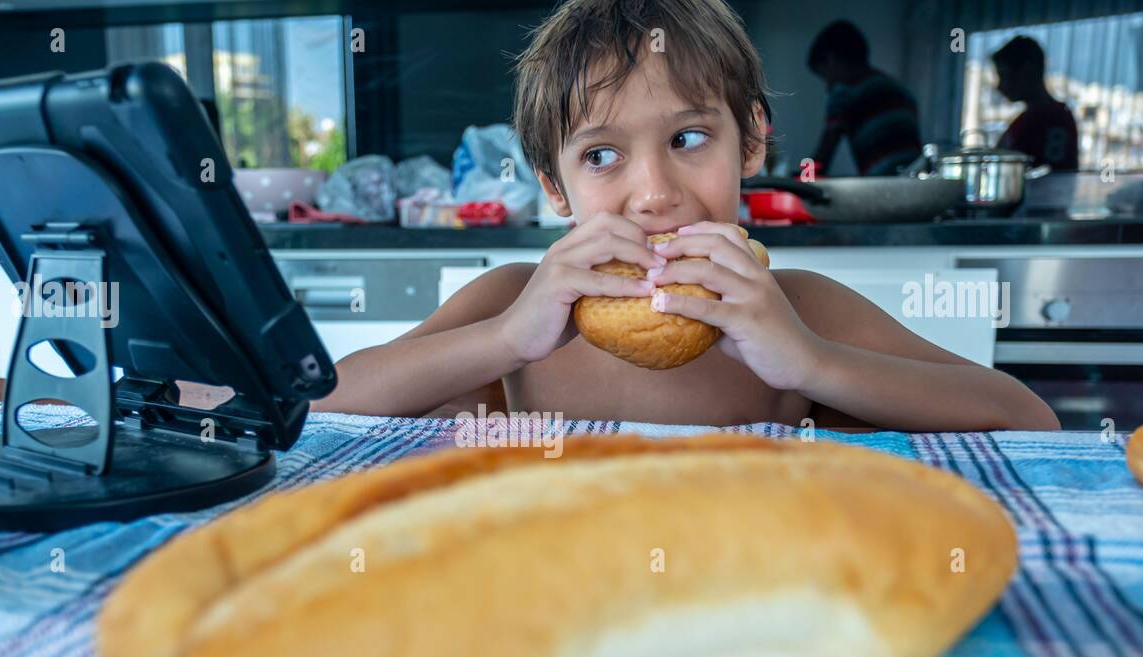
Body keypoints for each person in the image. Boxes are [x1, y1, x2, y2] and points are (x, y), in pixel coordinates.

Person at [311, 0, 1057, 432]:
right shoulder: (513, 300)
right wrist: (506, 340)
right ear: (555, 188)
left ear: (753, 142)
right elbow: (327, 405)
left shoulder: (798, 309)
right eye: (601, 156)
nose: (654, 193)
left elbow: (1028, 421)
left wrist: (810, 363)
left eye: (689, 139)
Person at [804, 20, 923, 177]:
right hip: (917, 181)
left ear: (831, 60)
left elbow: (823, 159)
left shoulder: (844, 92)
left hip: (883, 190)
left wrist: (800, 180)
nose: (827, 86)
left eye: (825, 76)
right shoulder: (901, 91)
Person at [993, 35, 1079, 171]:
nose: (999, 86)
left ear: (1028, 71)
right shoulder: (1049, 116)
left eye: (1004, 76)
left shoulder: (1045, 119)